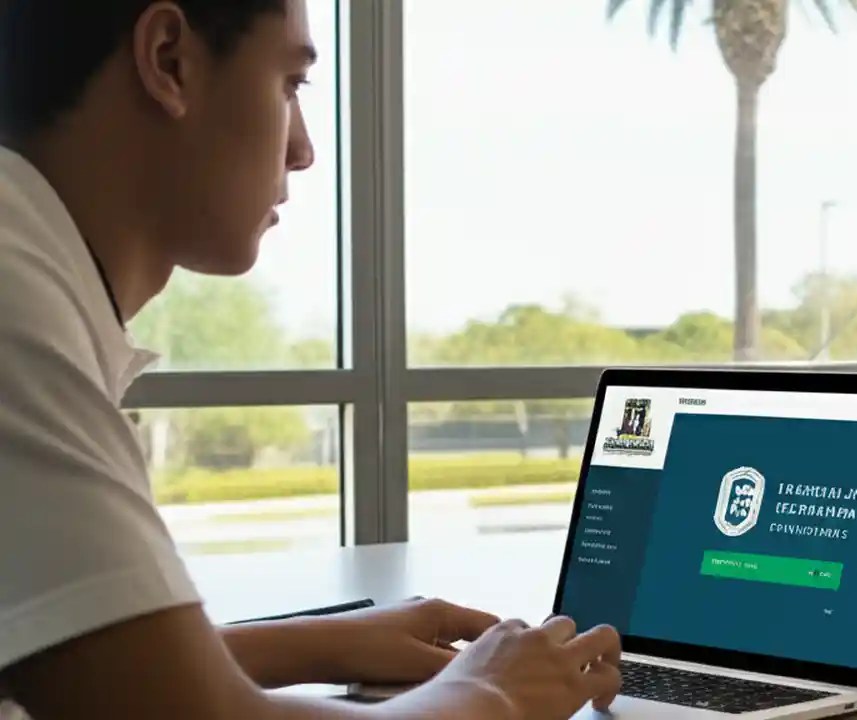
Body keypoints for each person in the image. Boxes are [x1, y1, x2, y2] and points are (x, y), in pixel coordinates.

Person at [0, 1, 621, 718]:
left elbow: (95, 676)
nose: (302, 149)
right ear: (169, 61)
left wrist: (324, 643)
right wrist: (492, 692)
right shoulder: (17, 318)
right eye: (290, 84)